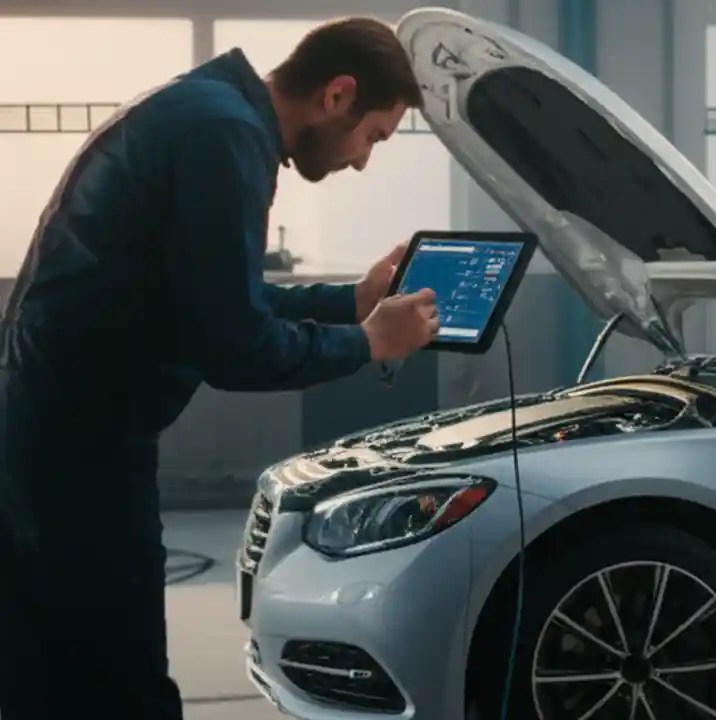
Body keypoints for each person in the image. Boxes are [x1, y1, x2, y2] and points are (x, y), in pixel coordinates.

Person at [0, 17, 438, 719]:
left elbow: (215, 295)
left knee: (42, 674)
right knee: (121, 683)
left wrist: (349, 303)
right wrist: (369, 343)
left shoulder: (204, 107)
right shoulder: (225, 139)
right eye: (373, 136)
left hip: (43, 431)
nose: (363, 161)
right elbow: (235, 346)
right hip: (78, 453)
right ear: (337, 94)